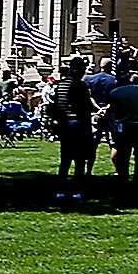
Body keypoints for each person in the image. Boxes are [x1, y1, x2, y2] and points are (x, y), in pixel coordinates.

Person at [50, 58, 97, 198]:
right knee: (79, 159)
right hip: (78, 124)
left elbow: (56, 106)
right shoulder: (80, 86)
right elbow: (85, 107)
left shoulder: (60, 85)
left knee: (65, 159)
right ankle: (77, 190)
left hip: (64, 124)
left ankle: (61, 190)